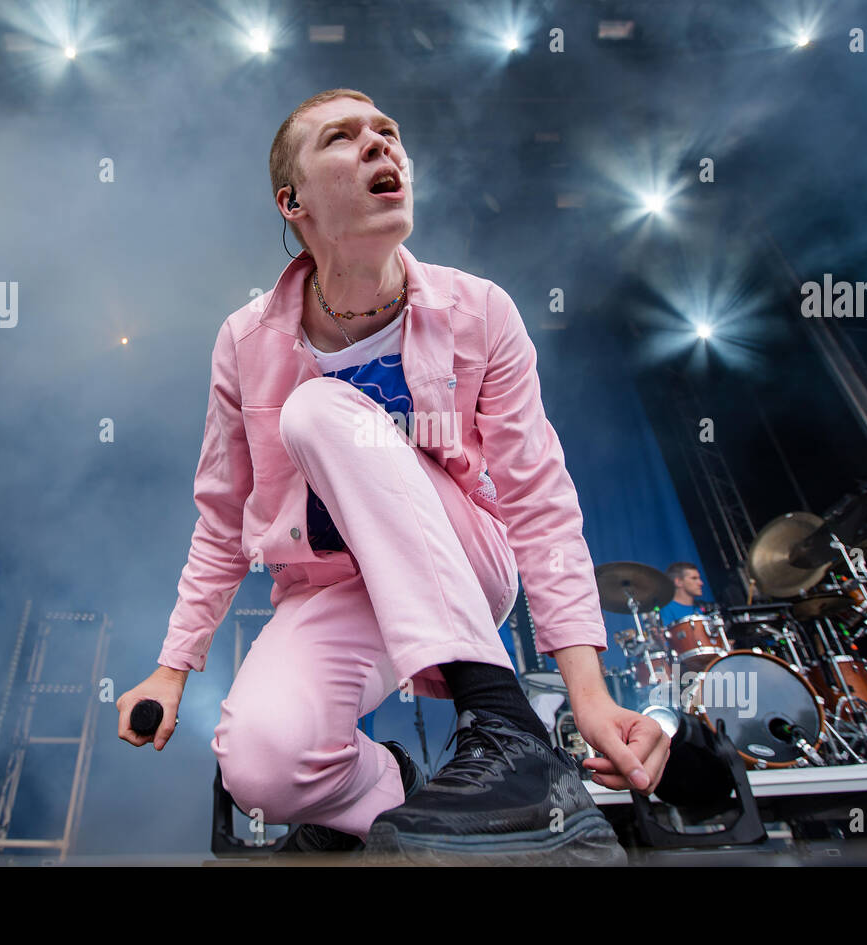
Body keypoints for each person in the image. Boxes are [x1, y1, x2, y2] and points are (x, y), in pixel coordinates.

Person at [118, 88, 668, 861]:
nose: (381, 145)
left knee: (315, 412)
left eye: (389, 133)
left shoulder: (480, 311)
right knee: (261, 765)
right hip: (340, 586)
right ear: (293, 201)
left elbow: (538, 502)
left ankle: (508, 737)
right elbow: (222, 519)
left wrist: (588, 694)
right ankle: (402, 804)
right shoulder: (245, 342)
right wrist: (172, 670)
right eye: (342, 138)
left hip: (463, 557)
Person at [658, 562, 709, 627]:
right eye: (694, 578)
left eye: (699, 578)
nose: (701, 583)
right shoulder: (665, 610)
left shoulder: (703, 607)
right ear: (678, 582)